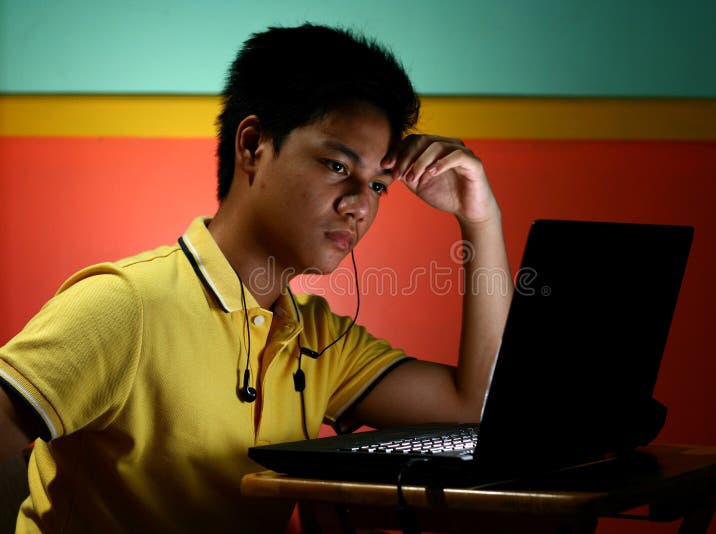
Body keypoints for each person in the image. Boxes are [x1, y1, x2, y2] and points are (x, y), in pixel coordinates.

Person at [0, 24, 511, 532]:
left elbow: (477, 407)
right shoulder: (125, 306)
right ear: (251, 145)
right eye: (337, 166)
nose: (360, 206)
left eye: (378, 185)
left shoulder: (318, 338)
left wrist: (479, 217)